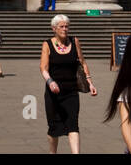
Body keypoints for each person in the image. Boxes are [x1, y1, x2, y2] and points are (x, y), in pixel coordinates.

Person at [40, 14, 96, 153]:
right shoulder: (47, 44)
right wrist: (50, 81)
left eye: (67, 26)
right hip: (54, 92)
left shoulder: (74, 41)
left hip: (71, 91)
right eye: (62, 26)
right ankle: (53, 152)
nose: (65, 29)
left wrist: (90, 82)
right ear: (54, 28)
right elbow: (43, 68)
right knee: (54, 127)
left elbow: (82, 63)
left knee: (73, 125)